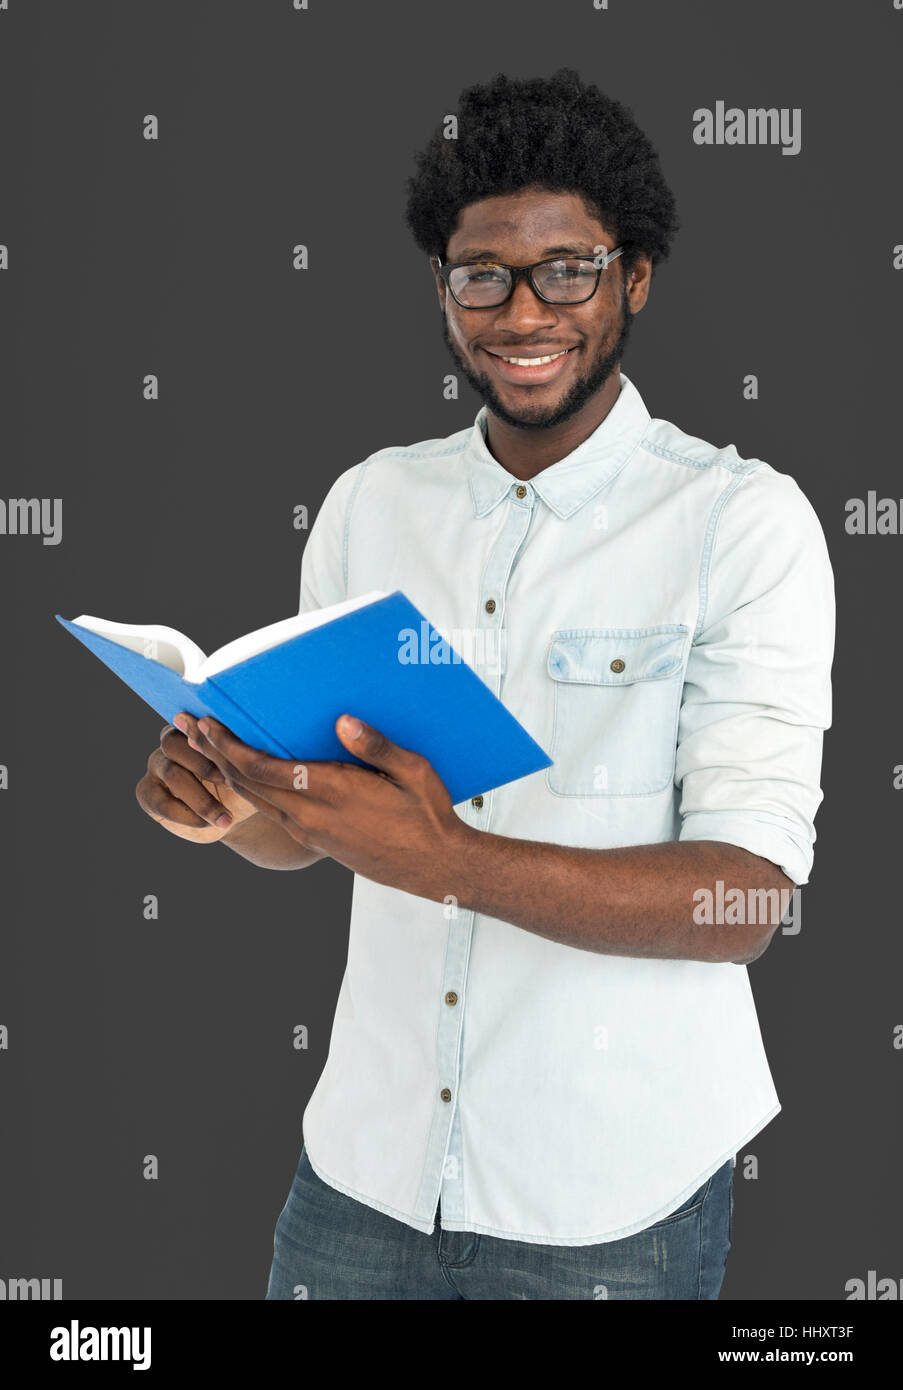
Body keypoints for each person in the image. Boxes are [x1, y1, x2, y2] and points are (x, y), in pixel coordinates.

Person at [135, 69, 835, 1300]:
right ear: (444, 289)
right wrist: (236, 807)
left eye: (567, 268)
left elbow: (750, 900)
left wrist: (447, 858)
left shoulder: (743, 523)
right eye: (482, 275)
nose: (523, 312)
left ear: (635, 278)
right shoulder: (370, 503)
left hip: (610, 1199)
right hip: (363, 1175)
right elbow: (316, 828)